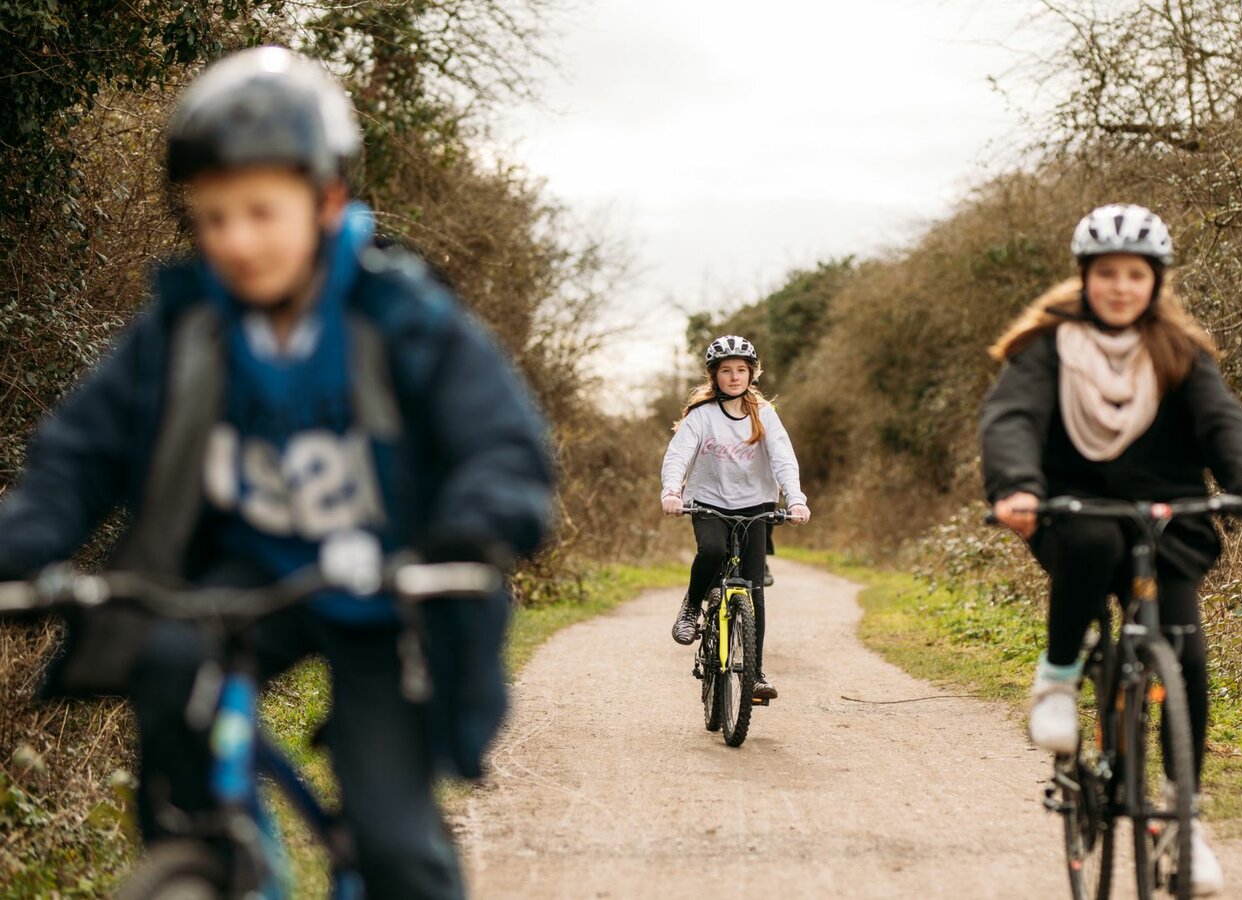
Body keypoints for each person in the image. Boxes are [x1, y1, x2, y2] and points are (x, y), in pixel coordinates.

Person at [0, 47, 556, 899]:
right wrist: (26, 542)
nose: (236, 240)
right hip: (247, 579)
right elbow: (81, 450)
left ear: (328, 201)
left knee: (395, 846)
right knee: (168, 661)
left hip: (384, 591)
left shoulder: (399, 315)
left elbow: (502, 443)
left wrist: (476, 527)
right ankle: (221, 857)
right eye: (213, 218)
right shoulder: (184, 328)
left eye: (262, 212)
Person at [979, 204, 1242, 896]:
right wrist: (1017, 488)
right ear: (1085, 278)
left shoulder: (1179, 350)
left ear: (1155, 281)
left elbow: (1225, 424)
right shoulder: (1047, 348)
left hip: (1167, 516)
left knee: (1185, 655)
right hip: (1073, 508)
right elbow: (1012, 420)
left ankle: (1185, 824)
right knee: (1091, 542)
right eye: (1106, 274)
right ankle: (1058, 678)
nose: (1120, 287)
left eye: (1134, 274)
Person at [661, 335, 810, 700]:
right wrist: (671, 491)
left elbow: (783, 458)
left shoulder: (764, 414)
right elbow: (678, 454)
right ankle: (691, 607)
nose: (734, 377)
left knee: (755, 590)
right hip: (709, 503)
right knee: (711, 551)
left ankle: (755, 675)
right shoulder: (702, 415)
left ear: (752, 374)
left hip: (755, 505)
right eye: (726, 371)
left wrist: (795, 500)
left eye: (741, 370)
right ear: (714, 376)